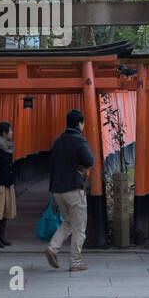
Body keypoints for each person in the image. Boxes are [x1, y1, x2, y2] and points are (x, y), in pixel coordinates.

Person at [45, 108, 95, 272]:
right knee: (79, 227)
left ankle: (53, 248)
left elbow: (50, 165)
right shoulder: (79, 140)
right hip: (73, 188)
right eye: (83, 123)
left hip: (58, 190)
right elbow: (90, 160)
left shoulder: (58, 141)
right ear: (80, 123)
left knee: (68, 222)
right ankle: (75, 262)